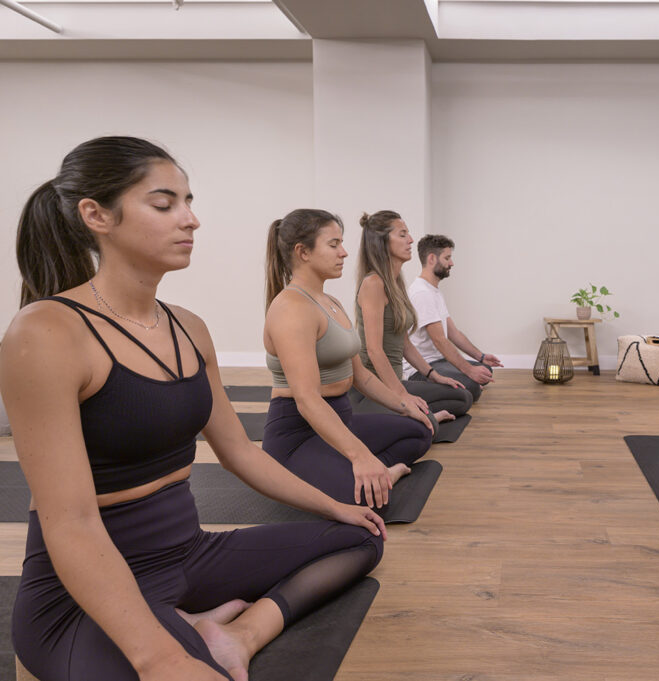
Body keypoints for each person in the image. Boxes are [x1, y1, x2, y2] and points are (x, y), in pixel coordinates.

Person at [2, 136, 387, 681]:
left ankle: (234, 635)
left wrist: (335, 507)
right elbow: (71, 522)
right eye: (165, 204)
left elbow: (238, 454)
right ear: (96, 215)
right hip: (80, 593)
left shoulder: (188, 326)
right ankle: (178, 633)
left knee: (359, 540)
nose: (191, 220)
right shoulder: (46, 331)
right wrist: (162, 660)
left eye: (188, 202)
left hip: (188, 554)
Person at [263, 208, 433, 510]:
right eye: (333, 244)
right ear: (303, 252)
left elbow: (362, 376)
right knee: (370, 502)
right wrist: (360, 455)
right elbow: (307, 400)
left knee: (420, 430)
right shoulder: (291, 308)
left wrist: (406, 405)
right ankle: (371, 474)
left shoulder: (331, 302)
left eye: (341, 243)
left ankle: (369, 472)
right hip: (298, 436)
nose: (343, 252)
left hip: (341, 421)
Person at [353, 211, 473, 436]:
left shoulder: (396, 281)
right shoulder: (373, 284)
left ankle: (419, 417)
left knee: (461, 396)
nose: (410, 240)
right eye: (402, 234)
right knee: (421, 434)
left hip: (395, 382)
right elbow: (374, 350)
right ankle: (417, 418)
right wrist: (402, 396)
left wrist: (433, 375)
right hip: (374, 389)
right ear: (382, 242)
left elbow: (404, 341)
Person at [405, 234, 503, 401]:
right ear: (431, 259)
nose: (451, 263)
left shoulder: (433, 291)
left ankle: (466, 385)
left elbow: (453, 333)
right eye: (447, 258)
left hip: (439, 361)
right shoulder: (422, 294)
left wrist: (481, 357)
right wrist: (469, 371)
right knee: (472, 383)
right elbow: (440, 341)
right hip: (422, 370)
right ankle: (462, 388)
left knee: (485, 370)